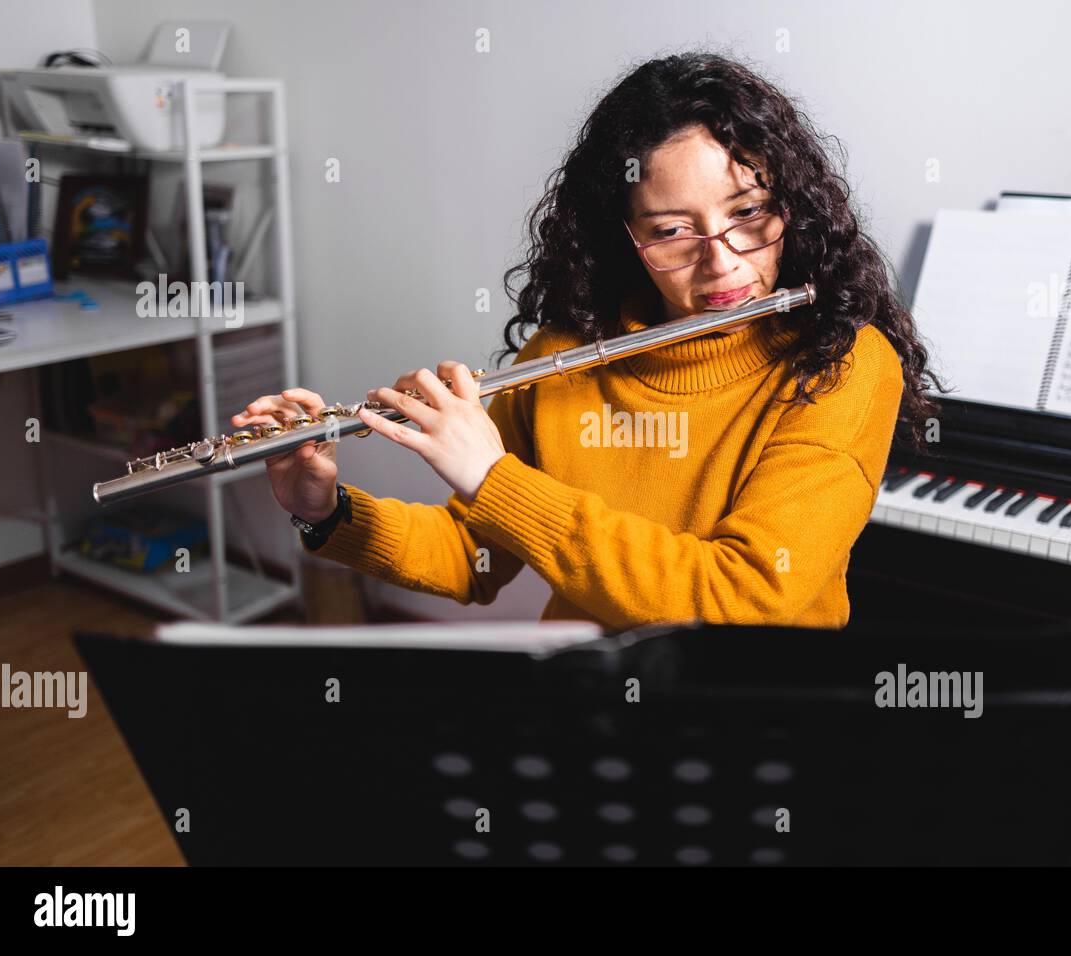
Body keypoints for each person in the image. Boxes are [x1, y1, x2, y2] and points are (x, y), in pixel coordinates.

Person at [234, 52, 940, 630]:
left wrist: (494, 478)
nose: (723, 260)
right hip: (592, 699)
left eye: (750, 213)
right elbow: (472, 557)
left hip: (750, 708)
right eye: (671, 231)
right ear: (625, 237)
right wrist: (322, 509)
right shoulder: (557, 358)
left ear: (792, 203)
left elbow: (750, 595)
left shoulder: (840, 363)